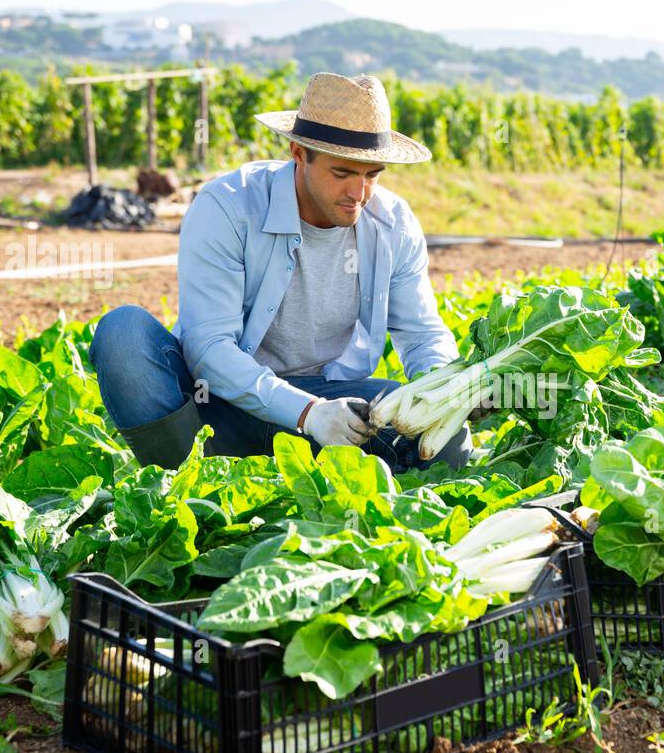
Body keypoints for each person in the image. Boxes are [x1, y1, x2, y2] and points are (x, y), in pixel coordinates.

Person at [89, 72, 472, 472]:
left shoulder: (392, 224)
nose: (358, 194)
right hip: (213, 402)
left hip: (328, 403)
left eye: (371, 175)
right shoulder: (228, 207)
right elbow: (208, 346)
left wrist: (445, 391)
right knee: (123, 333)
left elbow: (422, 333)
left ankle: (276, 462)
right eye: (342, 173)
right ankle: (180, 474)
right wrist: (307, 414)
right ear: (298, 153)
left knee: (450, 443)